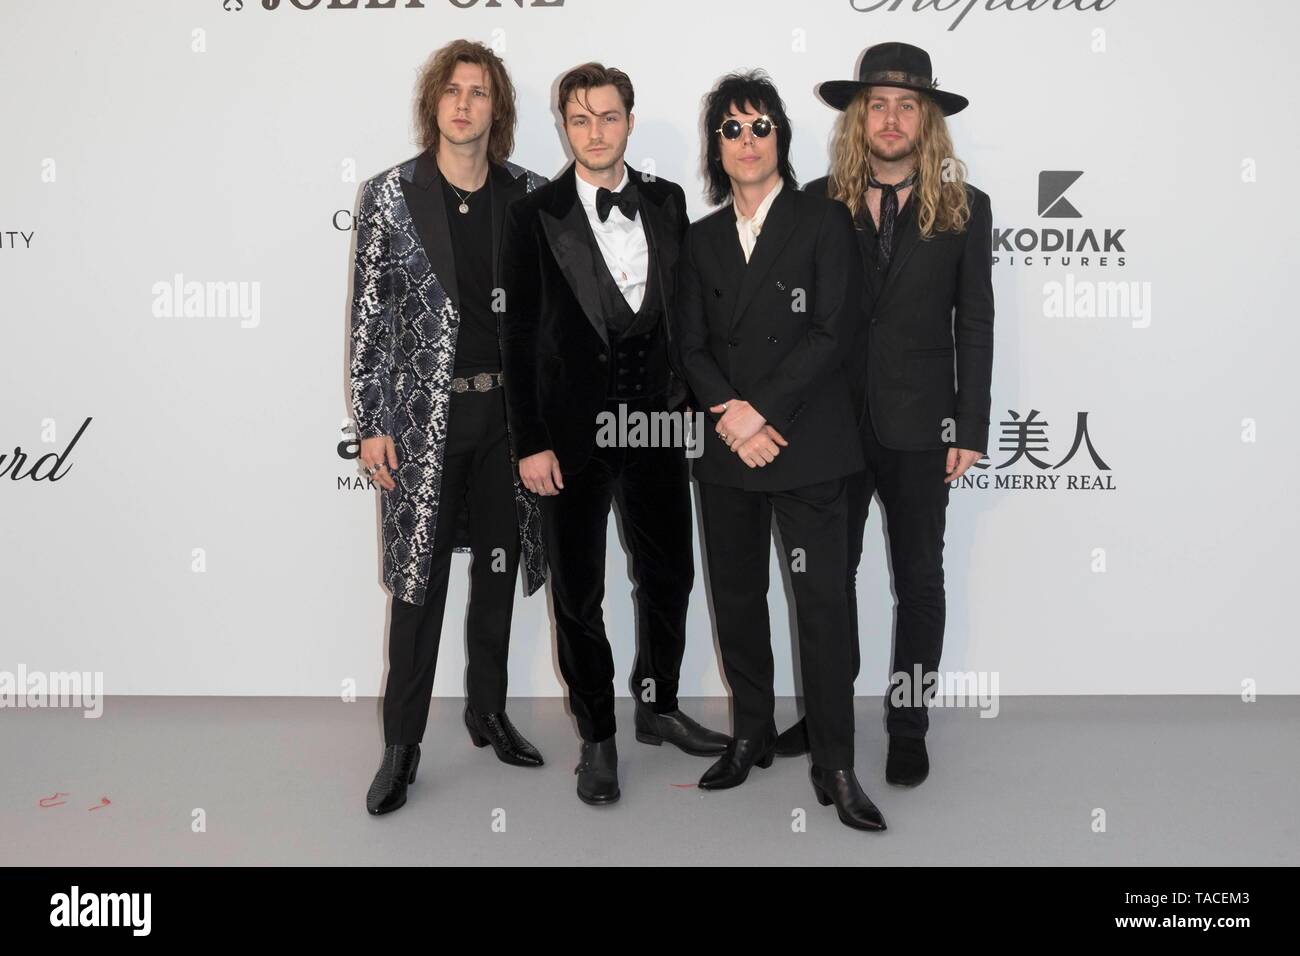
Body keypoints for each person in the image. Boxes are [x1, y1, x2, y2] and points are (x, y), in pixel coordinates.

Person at [499, 63, 728, 807]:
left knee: (669, 578)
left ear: (630, 120)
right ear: (564, 127)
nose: (595, 131)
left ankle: (656, 707)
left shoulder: (666, 200)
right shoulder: (533, 214)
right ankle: (599, 736)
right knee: (578, 591)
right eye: (579, 118)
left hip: (658, 424)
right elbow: (520, 337)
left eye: (608, 116)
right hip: (567, 437)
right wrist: (529, 440)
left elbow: (685, 314)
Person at [774, 42, 995, 789]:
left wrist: (968, 427)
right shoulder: (814, 201)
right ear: (858, 116)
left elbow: (976, 325)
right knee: (828, 581)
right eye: (879, 103)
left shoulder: (967, 206)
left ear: (926, 117)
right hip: (829, 425)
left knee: (919, 579)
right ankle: (829, 714)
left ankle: (908, 722)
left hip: (921, 426)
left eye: (907, 104)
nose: (892, 117)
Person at [674, 70, 884, 831]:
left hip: (808, 446)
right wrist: (734, 420)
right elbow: (689, 344)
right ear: (716, 148)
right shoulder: (698, 239)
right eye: (731, 129)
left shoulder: (825, 221)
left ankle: (836, 763)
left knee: (823, 608)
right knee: (736, 602)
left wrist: (762, 412)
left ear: (781, 139)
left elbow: (835, 331)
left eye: (760, 126)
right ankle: (751, 735)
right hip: (730, 449)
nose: (747, 140)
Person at [350, 40, 548, 816]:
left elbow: (542, 322)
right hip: (423, 425)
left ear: (498, 110)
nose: (464, 104)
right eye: (452, 91)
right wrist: (372, 421)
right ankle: (402, 747)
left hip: (506, 417)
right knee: (418, 587)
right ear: (434, 102)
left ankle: (488, 711)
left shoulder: (529, 195)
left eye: (480, 92)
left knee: (497, 572)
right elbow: (369, 319)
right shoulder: (390, 195)